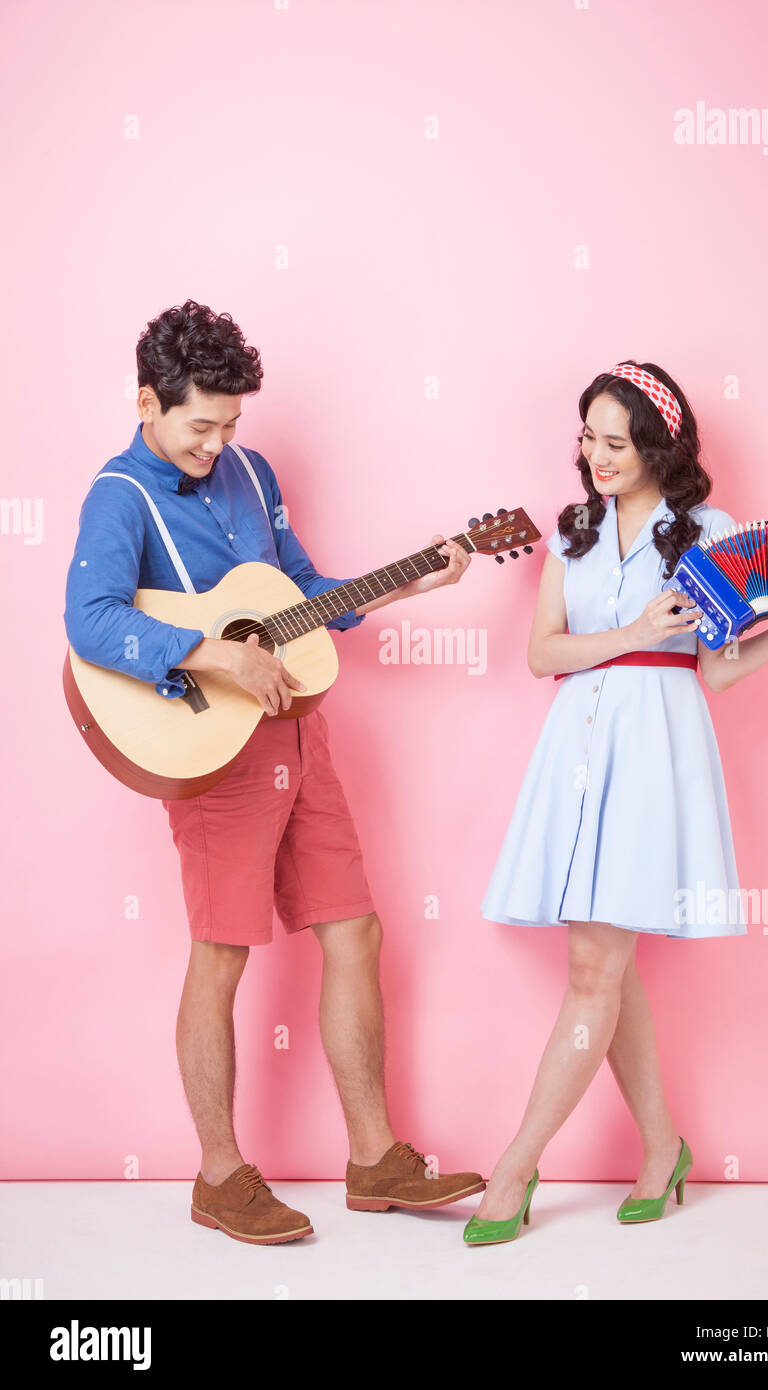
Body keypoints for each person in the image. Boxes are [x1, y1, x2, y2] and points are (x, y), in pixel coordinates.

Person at [64, 299, 485, 1245]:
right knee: (222, 958)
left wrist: (412, 579)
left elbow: (297, 591)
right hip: (211, 753)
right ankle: (220, 1177)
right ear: (147, 402)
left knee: (356, 931)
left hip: (300, 733)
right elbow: (90, 621)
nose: (216, 443)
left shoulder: (253, 472)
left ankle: (376, 1158)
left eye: (231, 424)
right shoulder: (118, 496)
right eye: (199, 425)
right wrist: (217, 655)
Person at [462, 360, 768, 1246]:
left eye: (614, 442)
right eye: (587, 438)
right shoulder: (573, 530)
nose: (595, 456)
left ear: (658, 444)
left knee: (595, 965)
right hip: (577, 746)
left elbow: (719, 671)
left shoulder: (710, 531)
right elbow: (543, 655)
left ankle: (516, 1168)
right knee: (605, 966)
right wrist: (629, 635)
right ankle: (663, 1149)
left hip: (659, 750)